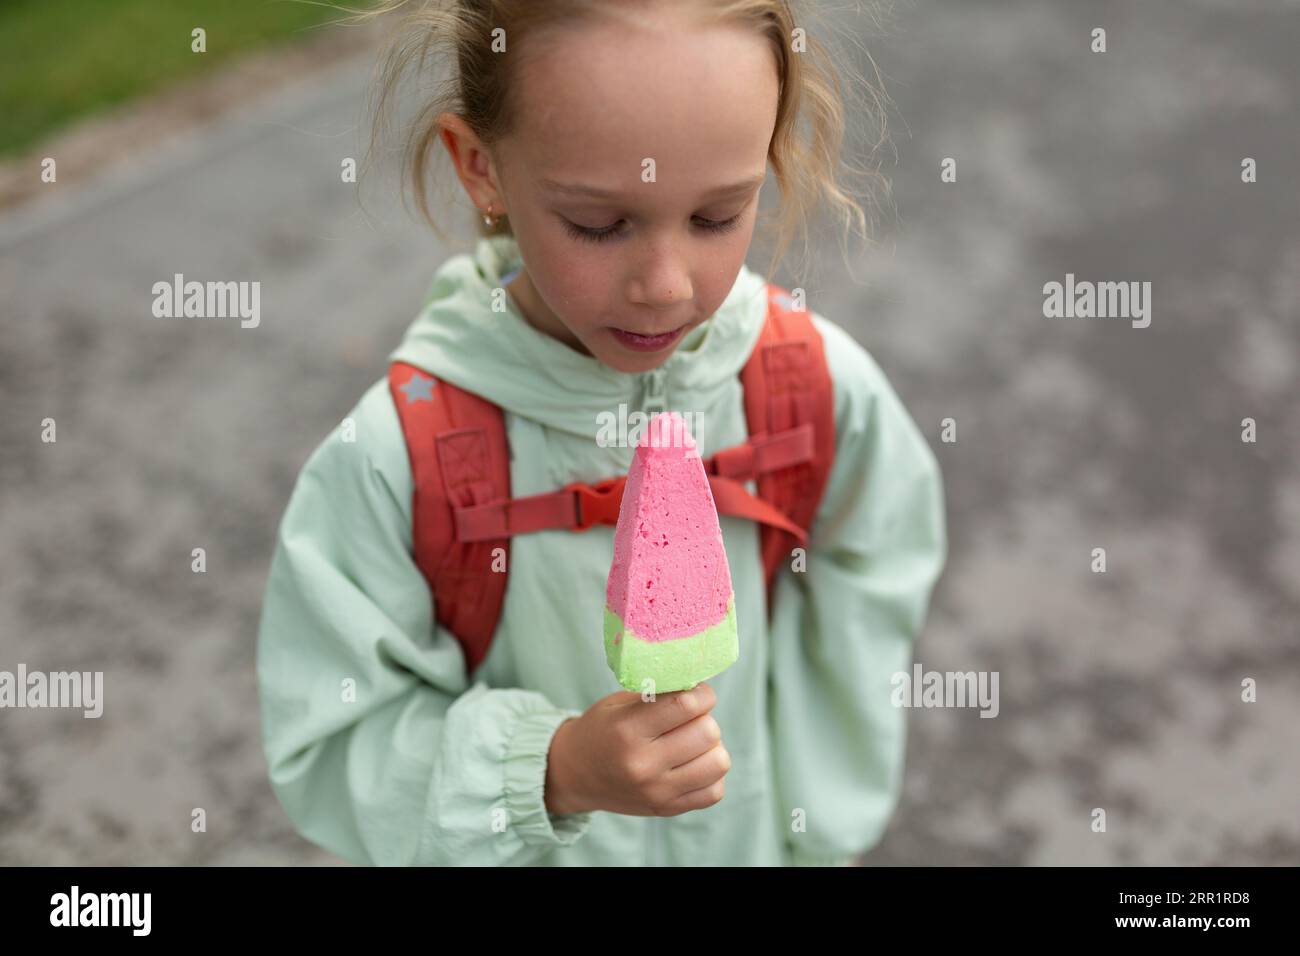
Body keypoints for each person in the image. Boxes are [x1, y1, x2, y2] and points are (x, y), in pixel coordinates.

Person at [256, 0, 946, 866]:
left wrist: (808, 823)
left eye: (717, 215)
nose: (663, 287)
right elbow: (330, 741)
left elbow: (871, 595)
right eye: (597, 223)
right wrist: (549, 772)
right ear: (482, 168)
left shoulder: (812, 389)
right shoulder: (399, 458)